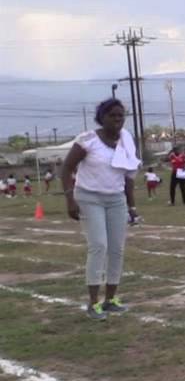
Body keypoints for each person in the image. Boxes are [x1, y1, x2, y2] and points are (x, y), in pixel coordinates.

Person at [61, 97, 140, 321]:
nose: (117, 119)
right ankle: (93, 303)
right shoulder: (88, 140)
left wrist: (132, 206)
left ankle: (111, 300)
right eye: (112, 115)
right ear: (101, 117)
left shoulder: (126, 140)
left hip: (116, 199)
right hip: (89, 197)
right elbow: (66, 169)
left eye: (120, 115)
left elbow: (128, 177)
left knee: (117, 249)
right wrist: (69, 199)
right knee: (99, 246)